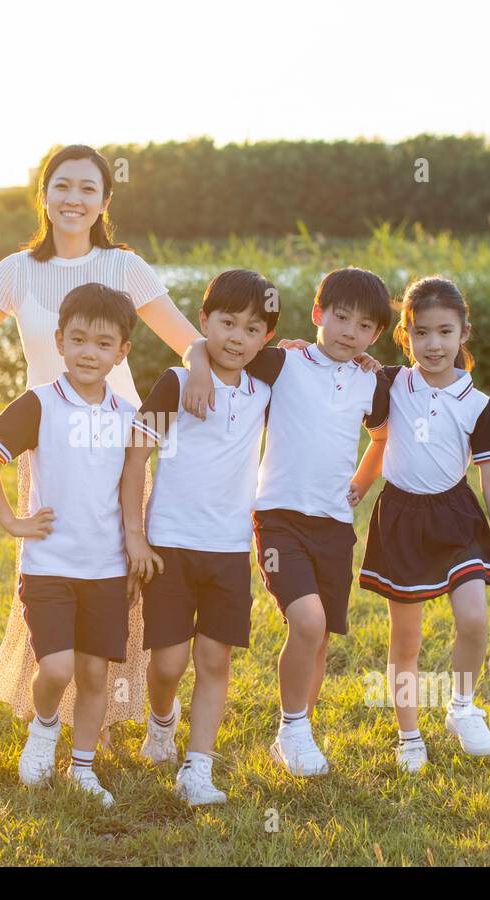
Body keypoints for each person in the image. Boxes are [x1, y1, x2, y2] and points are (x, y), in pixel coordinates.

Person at [0, 144, 213, 737]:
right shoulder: (16, 271)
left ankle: (130, 710)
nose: (74, 200)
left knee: (120, 571)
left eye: (87, 190)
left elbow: (186, 338)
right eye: (62, 187)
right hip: (47, 446)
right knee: (52, 572)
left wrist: (199, 363)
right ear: (43, 195)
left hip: (118, 444)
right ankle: (50, 711)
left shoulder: (124, 267)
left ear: (104, 200)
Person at [185, 266, 391, 778]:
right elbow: (213, 346)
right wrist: (192, 361)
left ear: (376, 335)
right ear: (318, 314)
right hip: (279, 517)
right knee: (308, 620)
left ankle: (297, 733)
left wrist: (363, 483)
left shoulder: (371, 379)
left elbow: (382, 437)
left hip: (334, 524)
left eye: (365, 326)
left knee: (318, 636)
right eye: (341, 318)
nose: (350, 332)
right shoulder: (284, 363)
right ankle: (292, 727)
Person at [0, 283, 140, 808]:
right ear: (60, 341)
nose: (90, 352)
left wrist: (137, 548)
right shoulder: (40, 402)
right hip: (49, 565)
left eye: (104, 343)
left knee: (95, 674)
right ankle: (44, 729)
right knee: (59, 668)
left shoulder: (129, 414)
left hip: (108, 567)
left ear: (122, 352)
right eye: (80, 340)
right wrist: (12, 521)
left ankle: (83, 766)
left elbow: (134, 484)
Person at [123, 269, 277, 806]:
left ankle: (198, 769)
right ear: (204, 321)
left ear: (267, 339)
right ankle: (161, 723)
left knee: (215, 661)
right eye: (226, 323)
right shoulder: (174, 380)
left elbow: (320, 359)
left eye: (252, 328)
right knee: (168, 664)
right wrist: (135, 535)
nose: (237, 337)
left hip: (230, 548)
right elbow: (137, 454)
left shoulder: (264, 389)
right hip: (170, 544)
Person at [351, 276, 490, 773]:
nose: (434, 344)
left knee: (473, 618)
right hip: (400, 518)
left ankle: (462, 707)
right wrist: (359, 484)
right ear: (406, 336)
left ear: (464, 333)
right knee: (405, 640)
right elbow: (376, 436)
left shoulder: (478, 404)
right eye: (422, 333)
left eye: (445, 332)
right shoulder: (390, 383)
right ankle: (409, 736)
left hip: (456, 517)